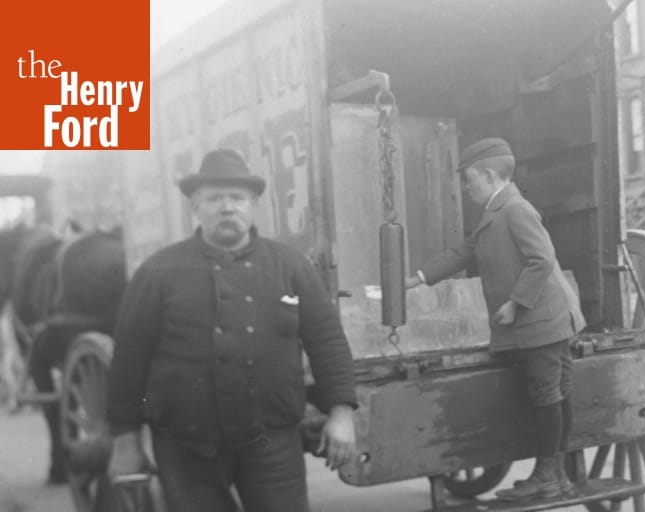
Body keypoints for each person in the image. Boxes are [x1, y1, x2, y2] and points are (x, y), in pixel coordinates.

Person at [105, 149, 358, 512]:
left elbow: (328, 342)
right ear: (196, 207)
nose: (227, 208)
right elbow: (129, 359)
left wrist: (341, 414)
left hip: (271, 439)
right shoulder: (157, 272)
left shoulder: (290, 266)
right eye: (214, 198)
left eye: (237, 198)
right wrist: (125, 439)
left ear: (253, 205)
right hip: (186, 444)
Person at [405, 138, 585, 501]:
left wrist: (516, 304)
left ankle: (548, 477)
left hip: (542, 322)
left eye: (469, 178)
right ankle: (558, 477)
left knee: (547, 395)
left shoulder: (514, 210)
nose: (466, 186)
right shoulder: (495, 211)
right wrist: (420, 277)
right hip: (547, 320)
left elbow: (542, 259)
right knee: (555, 394)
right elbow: (463, 252)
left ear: (488, 175)